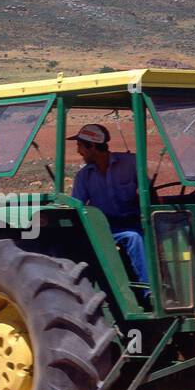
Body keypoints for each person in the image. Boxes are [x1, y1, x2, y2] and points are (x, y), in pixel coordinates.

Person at [67, 123, 150, 290]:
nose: (78, 151)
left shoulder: (130, 163)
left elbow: (148, 190)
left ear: (92, 146)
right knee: (134, 237)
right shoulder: (83, 177)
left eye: (80, 146)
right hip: (107, 229)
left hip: (135, 221)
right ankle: (150, 291)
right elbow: (77, 206)